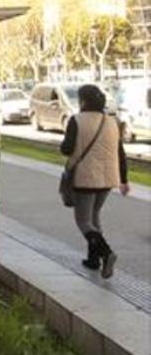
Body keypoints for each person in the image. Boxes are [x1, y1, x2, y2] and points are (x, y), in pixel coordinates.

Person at [59, 84, 129, 279]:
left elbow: (66, 149)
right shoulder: (112, 122)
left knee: (83, 221)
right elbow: (120, 153)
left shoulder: (77, 120)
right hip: (108, 179)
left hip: (85, 178)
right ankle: (93, 259)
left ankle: (106, 253)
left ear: (83, 101)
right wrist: (124, 180)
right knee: (95, 216)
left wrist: (64, 145)